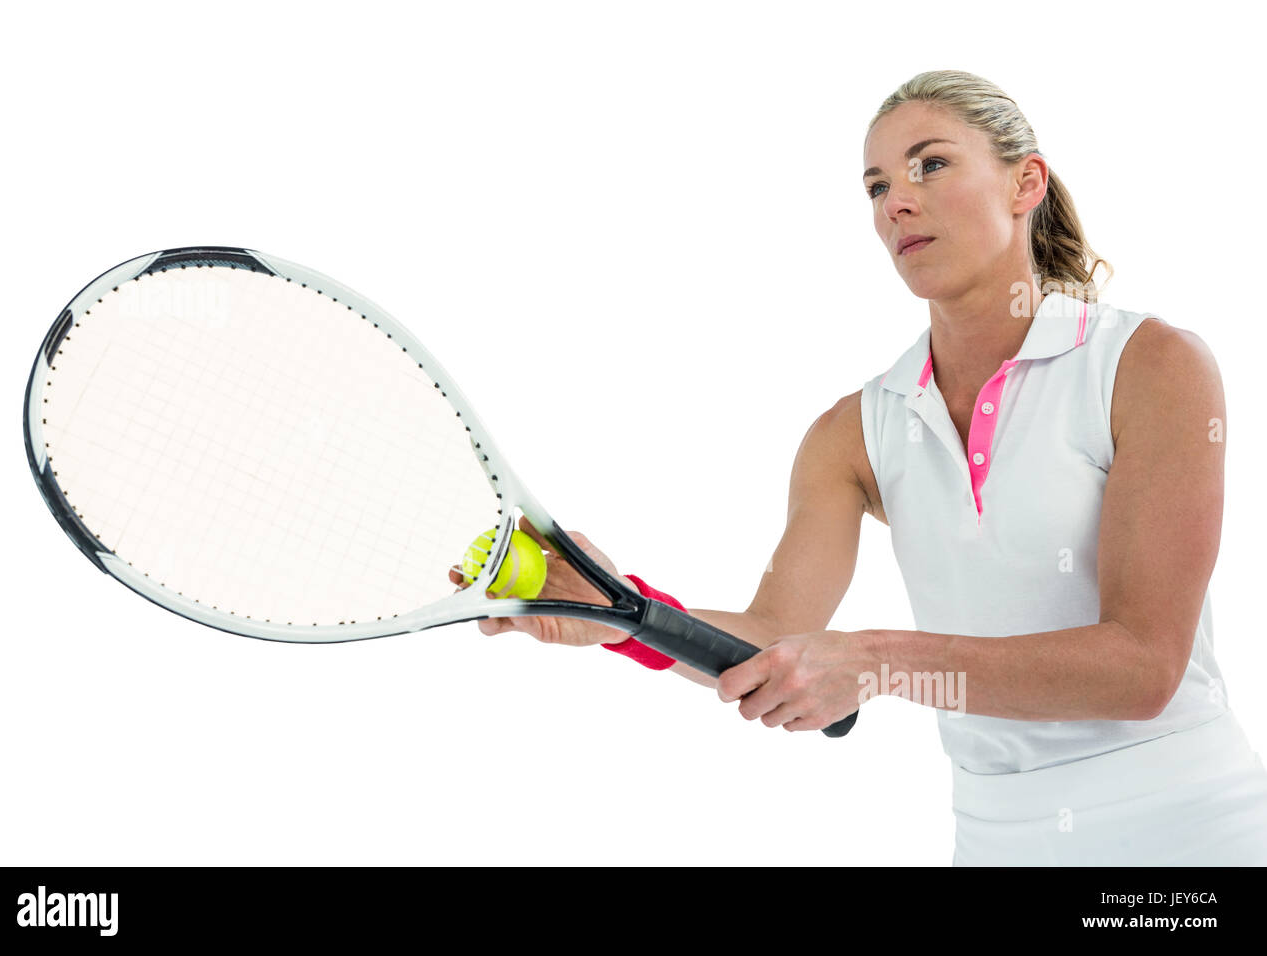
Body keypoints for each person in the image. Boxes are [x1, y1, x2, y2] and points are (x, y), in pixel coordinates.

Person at [455, 70, 1267, 866]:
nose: (897, 203)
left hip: (1190, 834)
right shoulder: (855, 431)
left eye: (931, 165)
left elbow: (1142, 666)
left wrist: (878, 662)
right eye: (876, 186)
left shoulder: (1148, 366)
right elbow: (774, 639)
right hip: (993, 838)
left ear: (1027, 183)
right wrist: (619, 612)